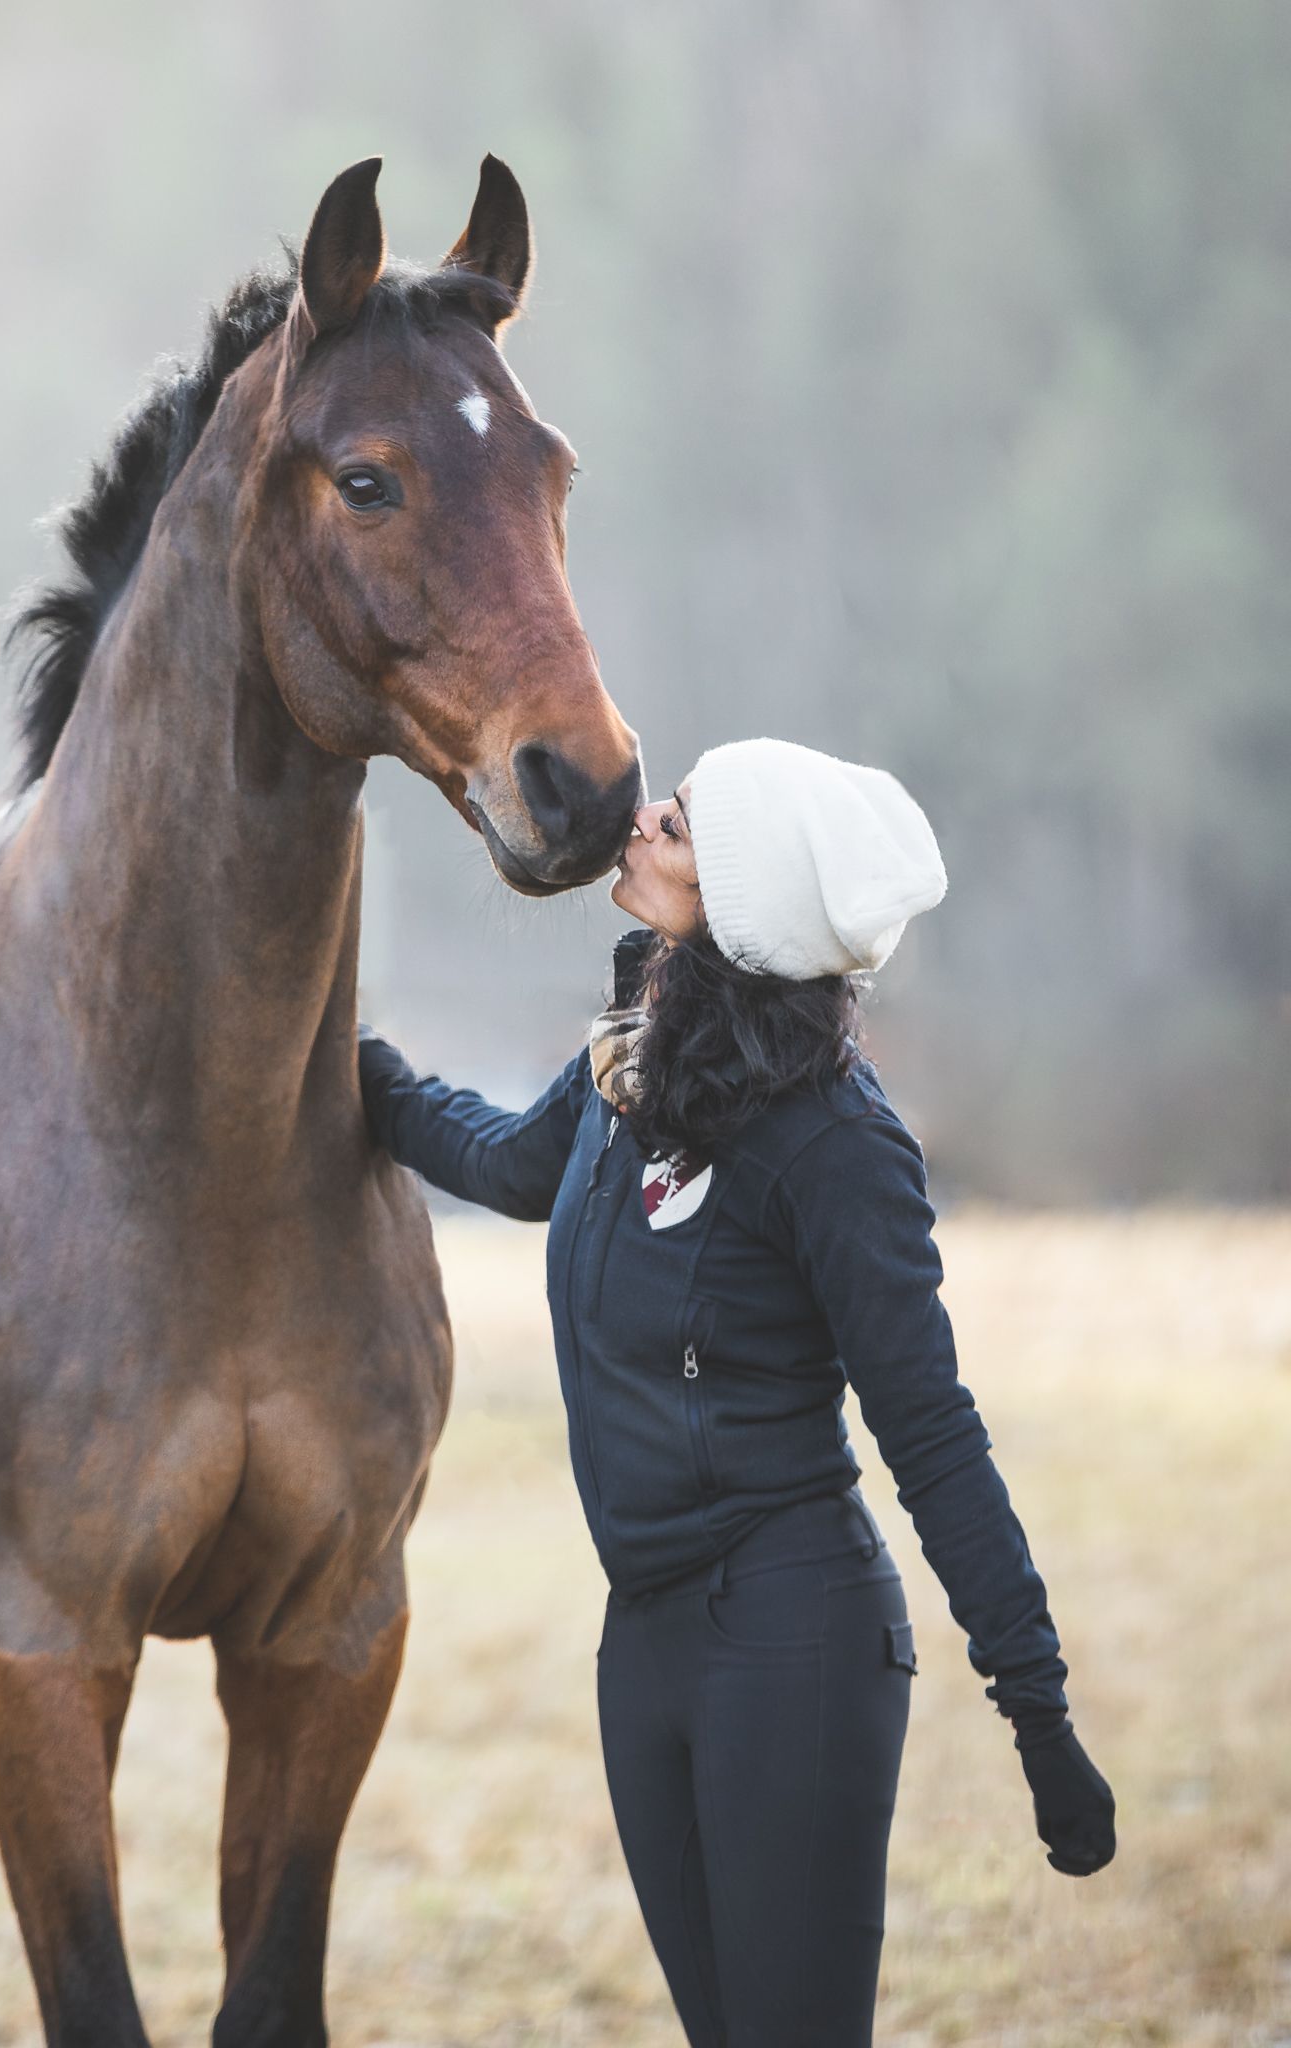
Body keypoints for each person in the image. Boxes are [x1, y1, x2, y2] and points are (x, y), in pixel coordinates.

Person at [358, 737, 1115, 2047]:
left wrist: (1036, 1711)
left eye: (688, 823)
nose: (643, 818)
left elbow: (930, 1433)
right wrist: (355, 1069)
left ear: (751, 899)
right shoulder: (637, 1063)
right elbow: (507, 1163)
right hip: (642, 1647)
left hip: (791, 1642)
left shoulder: (837, 1142)